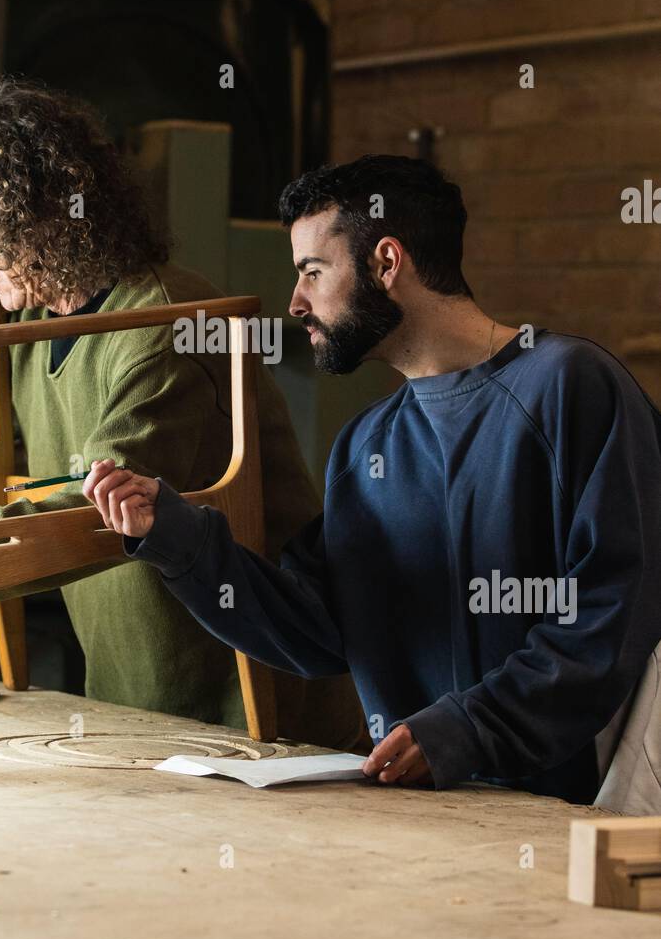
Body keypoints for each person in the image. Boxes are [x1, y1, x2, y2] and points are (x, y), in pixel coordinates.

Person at [0, 77, 366, 750]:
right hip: (137, 717)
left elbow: (90, 509)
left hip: (257, 729)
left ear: (39, 219)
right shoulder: (33, 325)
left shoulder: (167, 329)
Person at [81, 154, 661, 802]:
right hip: (419, 823)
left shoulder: (570, 386)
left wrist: (466, 730)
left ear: (387, 263)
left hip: (573, 824)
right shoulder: (366, 446)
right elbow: (313, 631)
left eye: (312, 272)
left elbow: (616, 608)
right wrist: (175, 535)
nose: (296, 303)